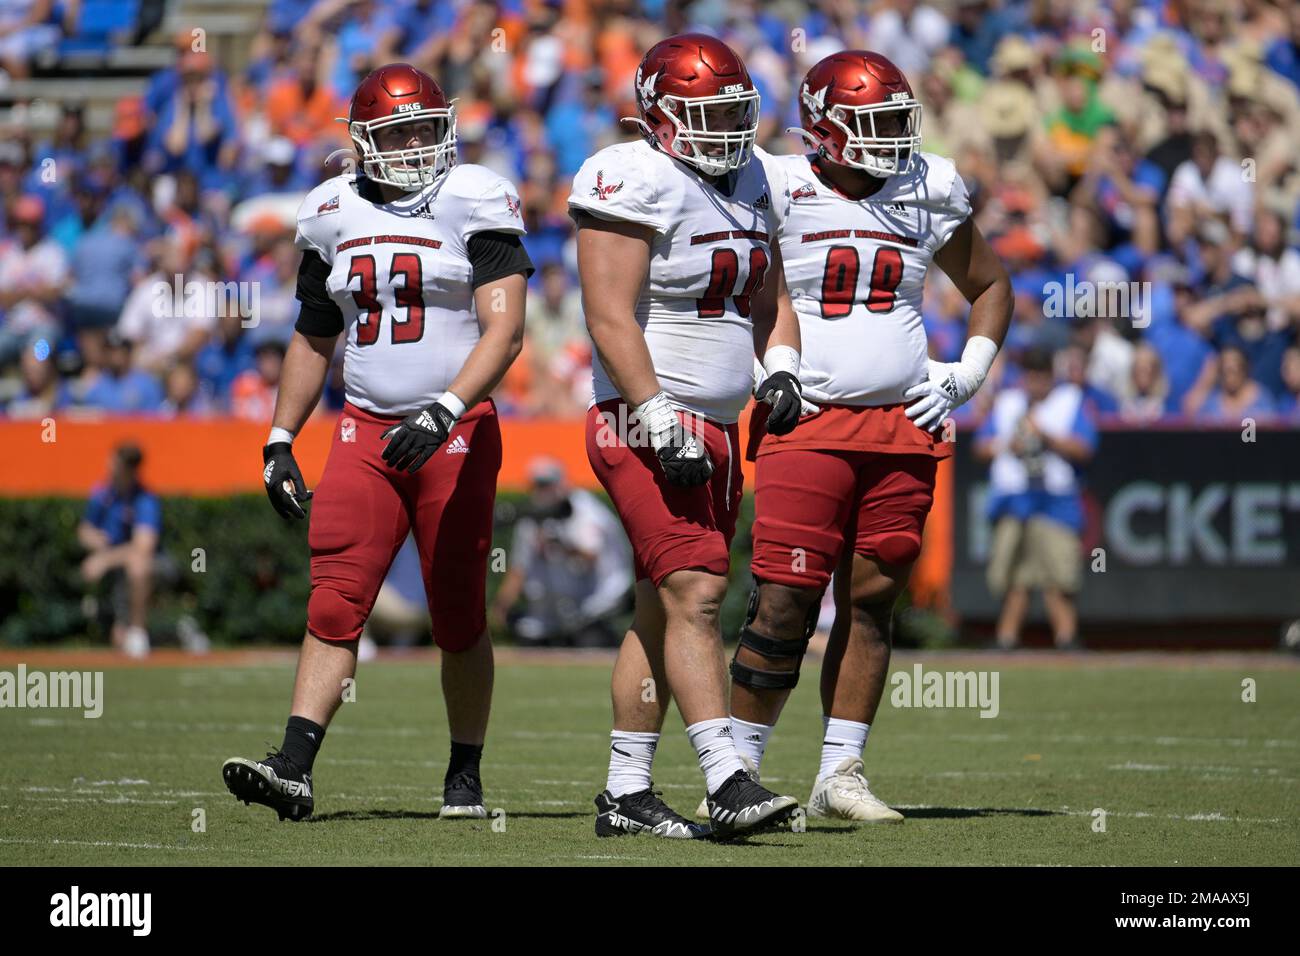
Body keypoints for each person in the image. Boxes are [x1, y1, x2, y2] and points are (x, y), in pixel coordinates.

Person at [701, 51, 1012, 824]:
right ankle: (739, 772)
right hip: (808, 419)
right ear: (824, 127)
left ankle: (841, 772)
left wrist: (967, 372)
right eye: (871, 124)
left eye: (897, 123)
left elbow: (991, 285)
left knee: (875, 601)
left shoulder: (927, 187)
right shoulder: (771, 183)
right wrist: (763, 366)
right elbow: (725, 284)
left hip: (905, 422)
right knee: (782, 602)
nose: (890, 140)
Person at [221, 63, 533, 823]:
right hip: (364, 427)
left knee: (457, 613)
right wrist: (279, 437)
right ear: (362, 142)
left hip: (455, 429)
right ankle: (293, 766)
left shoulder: (474, 197)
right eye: (400, 131)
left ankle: (464, 771)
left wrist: (446, 408)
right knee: (335, 597)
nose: (418, 143)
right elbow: (314, 333)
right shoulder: (329, 210)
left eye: (428, 127)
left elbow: (507, 327)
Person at [569, 34, 806, 840]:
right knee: (699, 594)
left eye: (736, 112)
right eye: (706, 114)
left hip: (717, 424)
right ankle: (727, 776)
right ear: (660, 115)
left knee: (661, 605)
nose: (725, 130)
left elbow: (770, 296)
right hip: (640, 417)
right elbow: (607, 314)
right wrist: (660, 412)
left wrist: (781, 368)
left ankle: (625, 791)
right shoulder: (630, 173)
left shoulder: (753, 177)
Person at [975, 347, 1097, 650]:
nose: (1036, 382)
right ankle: (1006, 639)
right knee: (1015, 577)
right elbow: (980, 448)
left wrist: (1047, 438)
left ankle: (1067, 638)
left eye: (1041, 375)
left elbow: (1085, 449)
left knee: (1059, 577)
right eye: (1031, 375)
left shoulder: (1069, 401)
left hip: (1056, 501)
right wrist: (1009, 444)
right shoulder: (1007, 403)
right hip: (1013, 501)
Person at [490, 457, 631, 648]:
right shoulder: (533, 516)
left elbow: (590, 556)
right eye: (537, 485)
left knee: (591, 643)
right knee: (530, 643)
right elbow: (519, 568)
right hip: (551, 613)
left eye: (546, 484)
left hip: (596, 602)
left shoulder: (584, 510)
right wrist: (501, 606)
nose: (542, 491)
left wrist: (559, 544)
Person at [78, 444, 164, 658]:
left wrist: (105, 559)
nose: (109, 466)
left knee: (137, 564)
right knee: (115, 639)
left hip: (151, 565)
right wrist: (95, 540)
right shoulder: (102, 493)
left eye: (115, 463)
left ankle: (137, 632)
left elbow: (143, 548)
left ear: (128, 469)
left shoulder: (145, 499)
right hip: (114, 565)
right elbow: (85, 529)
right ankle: (117, 627)